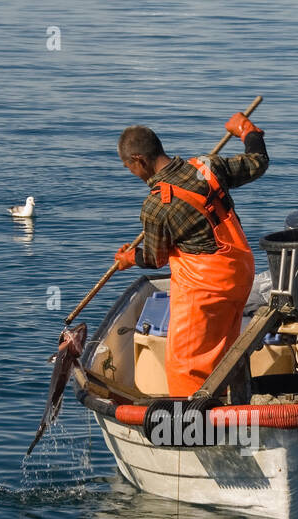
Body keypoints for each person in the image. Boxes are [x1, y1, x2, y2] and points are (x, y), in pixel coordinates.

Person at [114, 114, 269, 396]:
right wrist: (248, 132)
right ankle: (226, 405)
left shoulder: (156, 206)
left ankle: (193, 427)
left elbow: (155, 258)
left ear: (139, 160)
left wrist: (130, 258)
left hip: (206, 288)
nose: (132, 174)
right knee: (222, 350)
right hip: (239, 273)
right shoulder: (205, 167)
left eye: (129, 168)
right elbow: (258, 162)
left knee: (187, 364)